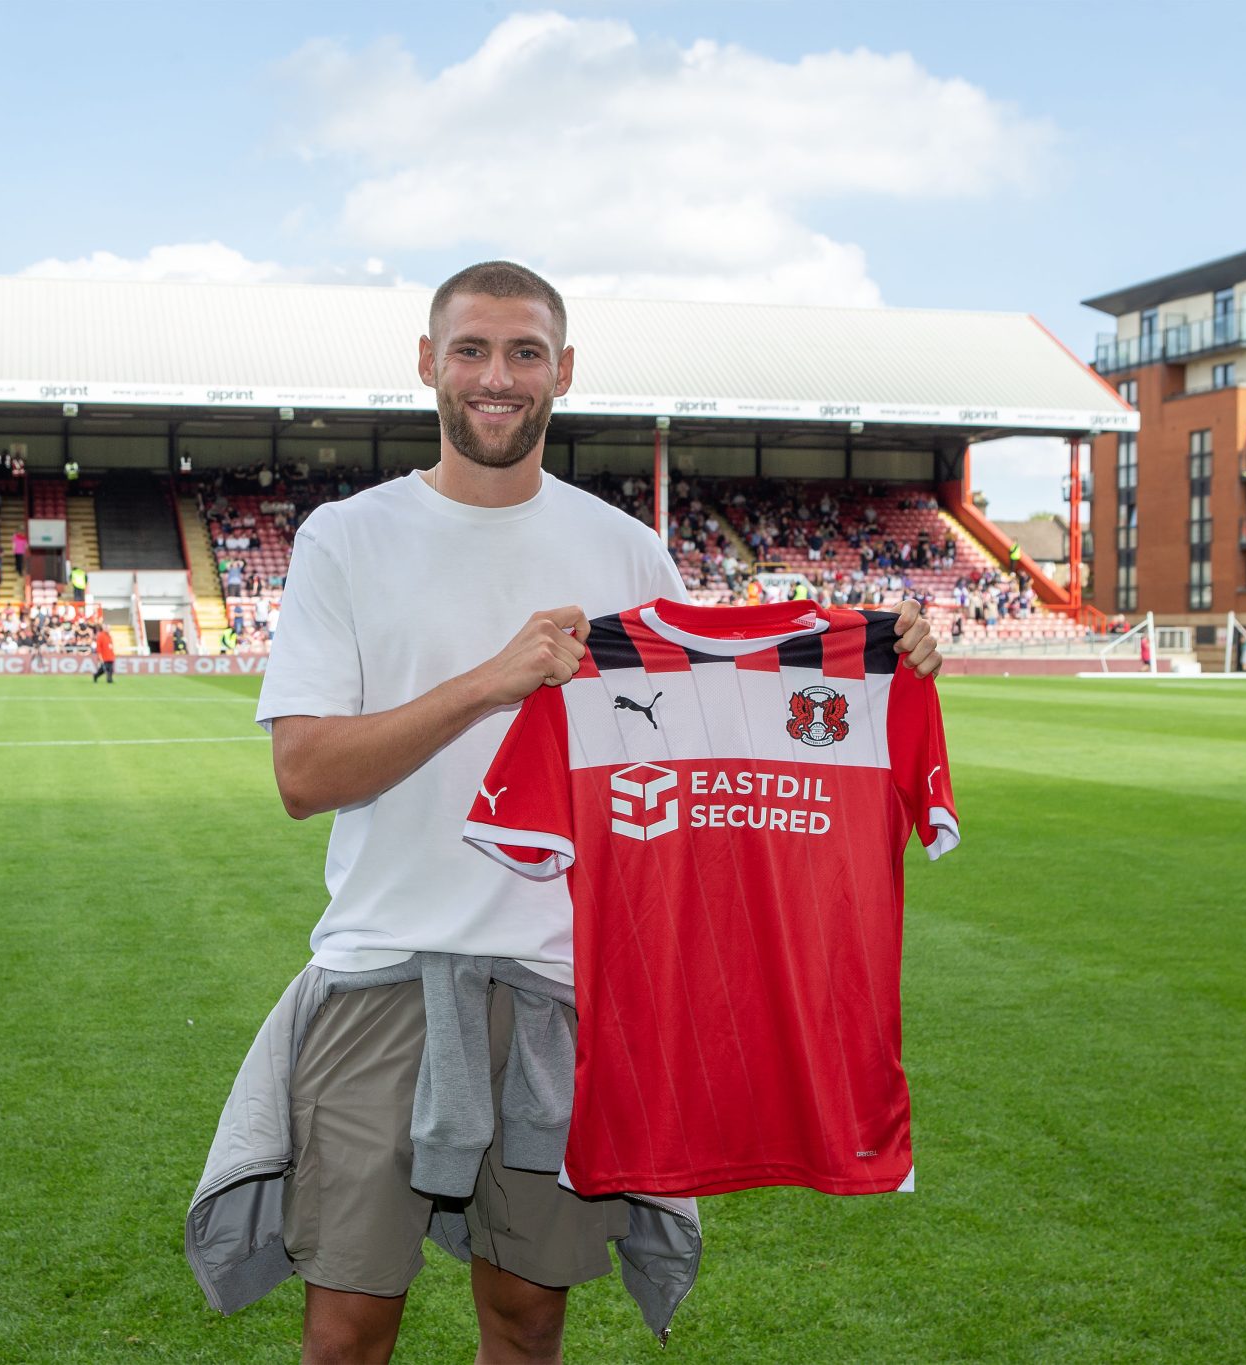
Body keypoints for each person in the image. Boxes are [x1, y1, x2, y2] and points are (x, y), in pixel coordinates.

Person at [193, 261, 941, 1365]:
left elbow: (708, 745)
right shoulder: (346, 538)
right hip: (381, 967)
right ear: (426, 363)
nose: (496, 377)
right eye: (471, 350)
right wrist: (491, 681)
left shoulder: (624, 551)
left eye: (524, 353)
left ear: (563, 371)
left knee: (527, 1316)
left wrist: (888, 660)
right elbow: (303, 776)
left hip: (558, 982)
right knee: (345, 1327)